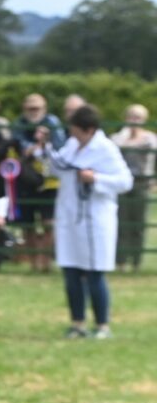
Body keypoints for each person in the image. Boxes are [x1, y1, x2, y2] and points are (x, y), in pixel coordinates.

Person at [50, 105, 133, 339]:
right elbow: (60, 168)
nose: (72, 134)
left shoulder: (106, 149)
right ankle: (77, 323)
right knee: (71, 271)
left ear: (89, 130)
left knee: (95, 272)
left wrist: (95, 178)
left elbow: (125, 182)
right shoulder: (72, 145)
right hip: (69, 215)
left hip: (96, 218)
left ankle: (103, 325)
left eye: (76, 130)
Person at [12, 94, 65, 272]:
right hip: (27, 178)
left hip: (50, 180)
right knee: (28, 223)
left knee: (48, 221)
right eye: (30, 108)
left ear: (44, 108)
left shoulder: (52, 122)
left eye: (37, 108)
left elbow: (59, 145)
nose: (33, 112)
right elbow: (19, 146)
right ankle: (34, 262)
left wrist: (42, 145)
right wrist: (34, 147)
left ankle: (46, 260)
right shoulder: (19, 123)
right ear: (24, 109)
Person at [110, 104, 155, 269]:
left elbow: (151, 152)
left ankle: (136, 262)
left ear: (144, 120)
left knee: (138, 223)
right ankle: (120, 261)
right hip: (121, 185)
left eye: (138, 117)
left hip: (141, 184)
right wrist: (125, 136)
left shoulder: (150, 138)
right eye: (131, 117)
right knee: (121, 223)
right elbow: (112, 149)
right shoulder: (118, 137)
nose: (134, 121)